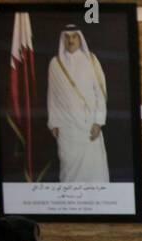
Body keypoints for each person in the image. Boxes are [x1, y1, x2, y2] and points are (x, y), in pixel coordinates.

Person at [47, 26, 109, 183]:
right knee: (68, 172)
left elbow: (100, 94)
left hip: (88, 125)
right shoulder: (55, 64)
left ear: (80, 38)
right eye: (67, 37)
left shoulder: (91, 60)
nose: (71, 40)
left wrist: (98, 122)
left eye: (74, 36)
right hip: (66, 128)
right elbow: (52, 96)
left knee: (93, 168)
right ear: (63, 39)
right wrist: (53, 122)